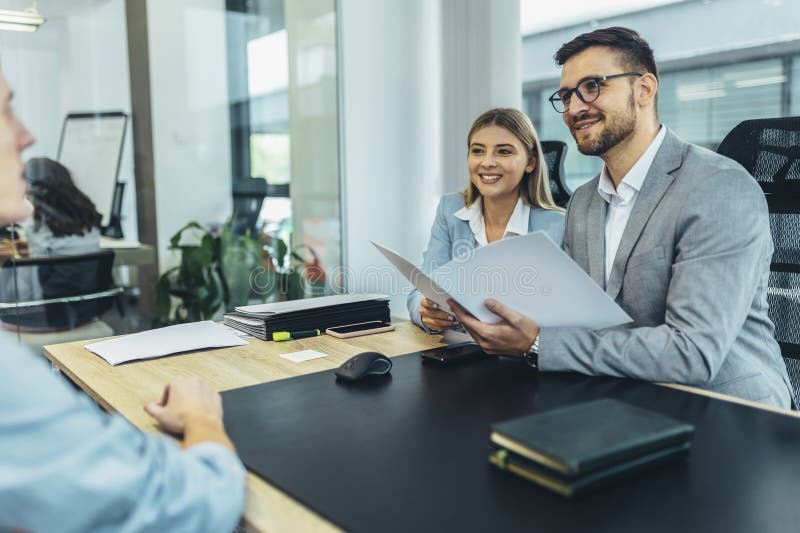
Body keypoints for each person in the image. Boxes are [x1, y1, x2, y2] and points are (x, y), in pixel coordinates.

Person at [450, 27, 794, 408]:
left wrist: (538, 342)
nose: (574, 108)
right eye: (566, 96)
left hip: (729, 410)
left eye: (592, 86)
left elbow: (691, 352)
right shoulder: (583, 202)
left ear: (644, 89)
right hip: (626, 397)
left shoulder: (718, 187)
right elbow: (579, 317)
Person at [0, 75, 246, 531]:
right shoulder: (9, 381)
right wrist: (202, 419)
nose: (26, 134)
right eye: (7, 110)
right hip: (87, 314)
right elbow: (194, 504)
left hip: (46, 317)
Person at [408, 108, 565, 333]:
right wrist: (426, 312)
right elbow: (421, 289)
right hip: (458, 348)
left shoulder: (558, 227)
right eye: (478, 151)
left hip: (520, 352)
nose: (487, 162)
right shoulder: (450, 210)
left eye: (504, 152)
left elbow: (565, 316)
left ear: (530, 162)